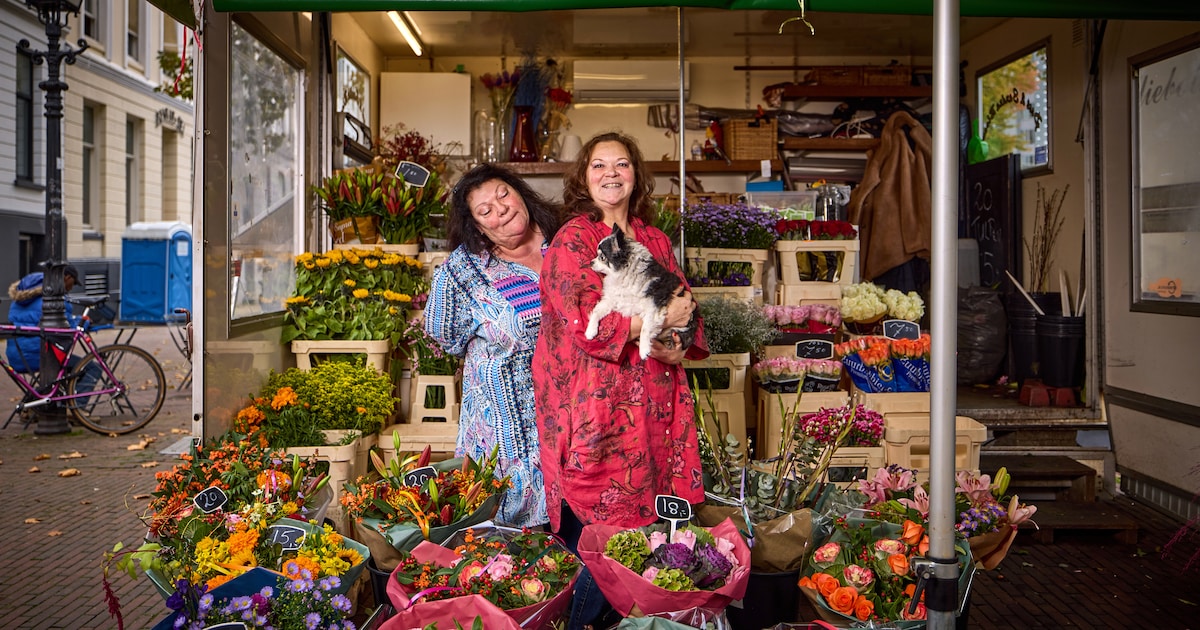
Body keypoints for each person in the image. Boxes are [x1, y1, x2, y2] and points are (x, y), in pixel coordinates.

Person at [532, 132, 708, 629]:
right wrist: (662, 315)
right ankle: (576, 622)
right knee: (598, 523)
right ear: (584, 177)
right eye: (599, 165)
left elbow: (687, 309)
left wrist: (674, 339)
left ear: (637, 175)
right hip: (595, 406)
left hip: (655, 401)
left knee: (647, 519)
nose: (611, 173)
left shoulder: (653, 239)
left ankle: (625, 618)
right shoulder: (575, 239)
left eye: (622, 164)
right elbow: (584, 323)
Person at [423, 163, 562, 528]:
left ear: (520, 192)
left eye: (504, 194)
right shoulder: (465, 268)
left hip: (569, 418)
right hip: (504, 427)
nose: (500, 210)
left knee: (573, 537)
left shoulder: (565, 240)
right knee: (506, 543)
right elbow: (442, 331)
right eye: (485, 211)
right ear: (477, 226)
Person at [6, 265, 101, 392]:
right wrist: (84, 322)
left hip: (15, 356)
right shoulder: (55, 297)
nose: (71, 288)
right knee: (92, 369)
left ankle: (58, 398)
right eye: (72, 283)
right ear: (67, 277)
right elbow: (69, 330)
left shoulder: (19, 299)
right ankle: (77, 406)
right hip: (41, 356)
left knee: (67, 369)